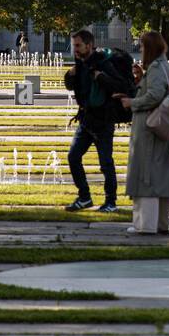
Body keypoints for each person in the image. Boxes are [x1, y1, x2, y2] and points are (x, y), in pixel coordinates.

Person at [119, 31, 169, 234]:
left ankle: (145, 224)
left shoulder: (156, 68)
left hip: (150, 132)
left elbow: (154, 95)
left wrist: (132, 102)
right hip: (164, 131)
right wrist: (141, 79)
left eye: (143, 45)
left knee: (146, 177)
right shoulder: (167, 67)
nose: (140, 49)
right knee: (166, 179)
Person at [63, 29, 131, 212]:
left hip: (103, 121)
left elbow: (120, 85)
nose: (75, 49)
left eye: (78, 45)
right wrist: (70, 74)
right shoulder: (80, 64)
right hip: (86, 120)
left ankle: (111, 201)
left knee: (105, 163)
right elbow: (71, 86)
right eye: (74, 45)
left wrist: (101, 77)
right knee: (73, 157)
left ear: (89, 45)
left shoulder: (103, 64)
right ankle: (84, 196)